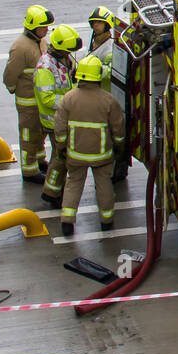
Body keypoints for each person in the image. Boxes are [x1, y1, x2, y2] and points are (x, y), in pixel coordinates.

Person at [53, 55, 125, 236]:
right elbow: (118, 128)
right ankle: (106, 221)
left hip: (75, 155)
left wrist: (61, 148)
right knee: (104, 186)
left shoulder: (68, 99)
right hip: (102, 156)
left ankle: (67, 222)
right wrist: (119, 147)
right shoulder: (108, 100)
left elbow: (60, 128)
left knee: (73, 185)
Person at [2, 4, 54, 184]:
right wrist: (13, 89)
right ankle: (29, 171)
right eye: (43, 27)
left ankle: (40, 161)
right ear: (33, 27)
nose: (46, 30)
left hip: (39, 101)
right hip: (28, 102)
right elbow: (10, 75)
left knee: (39, 133)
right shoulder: (20, 48)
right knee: (28, 136)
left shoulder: (41, 42)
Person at [35, 24, 82, 208]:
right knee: (59, 158)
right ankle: (51, 192)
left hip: (63, 119)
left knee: (60, 156)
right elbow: (47, 98)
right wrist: (71, 100)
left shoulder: (64, 58)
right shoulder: (45, 68)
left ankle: (54, 189)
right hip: (53, 121)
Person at [86, 5, 116, 93]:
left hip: (104, 92)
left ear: (107, 25)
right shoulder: (94, 41)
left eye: (99, 22)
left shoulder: (111, 47)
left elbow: (112, 72)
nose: (96, 25)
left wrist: (91, 69)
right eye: (94, 22)